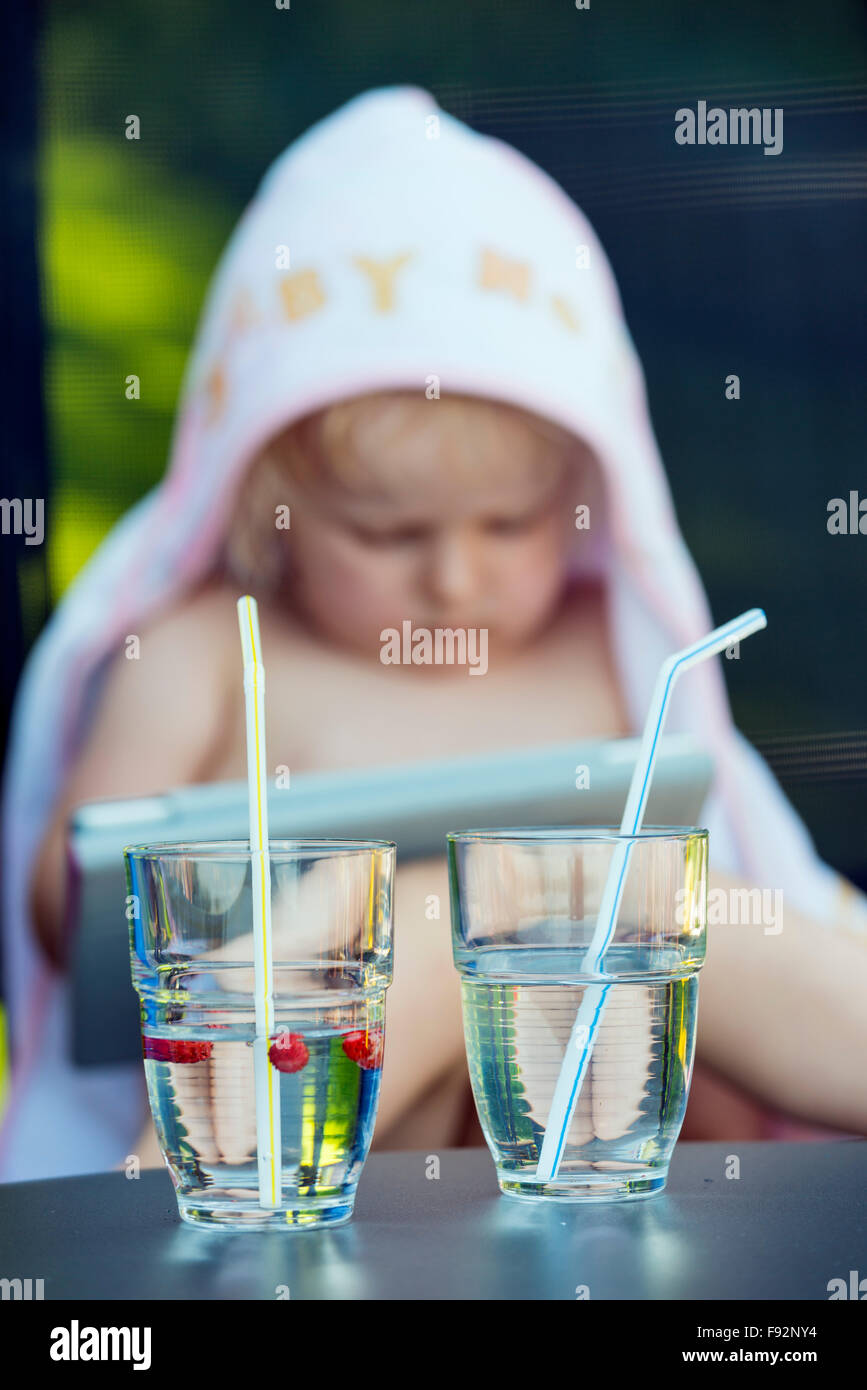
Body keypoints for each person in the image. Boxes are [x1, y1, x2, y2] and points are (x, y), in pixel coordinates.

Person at [3, 87, 865, 1181]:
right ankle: (241, 1208)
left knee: (663, 936)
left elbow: (734, 884)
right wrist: (265, 894)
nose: (457, 579)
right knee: (391, 956)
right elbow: (65, 898)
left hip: (599, 1117)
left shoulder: (605, 645)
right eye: (387, 530)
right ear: (268, 500)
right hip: (339, 1111)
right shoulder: (211, 648)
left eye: (510, 523)